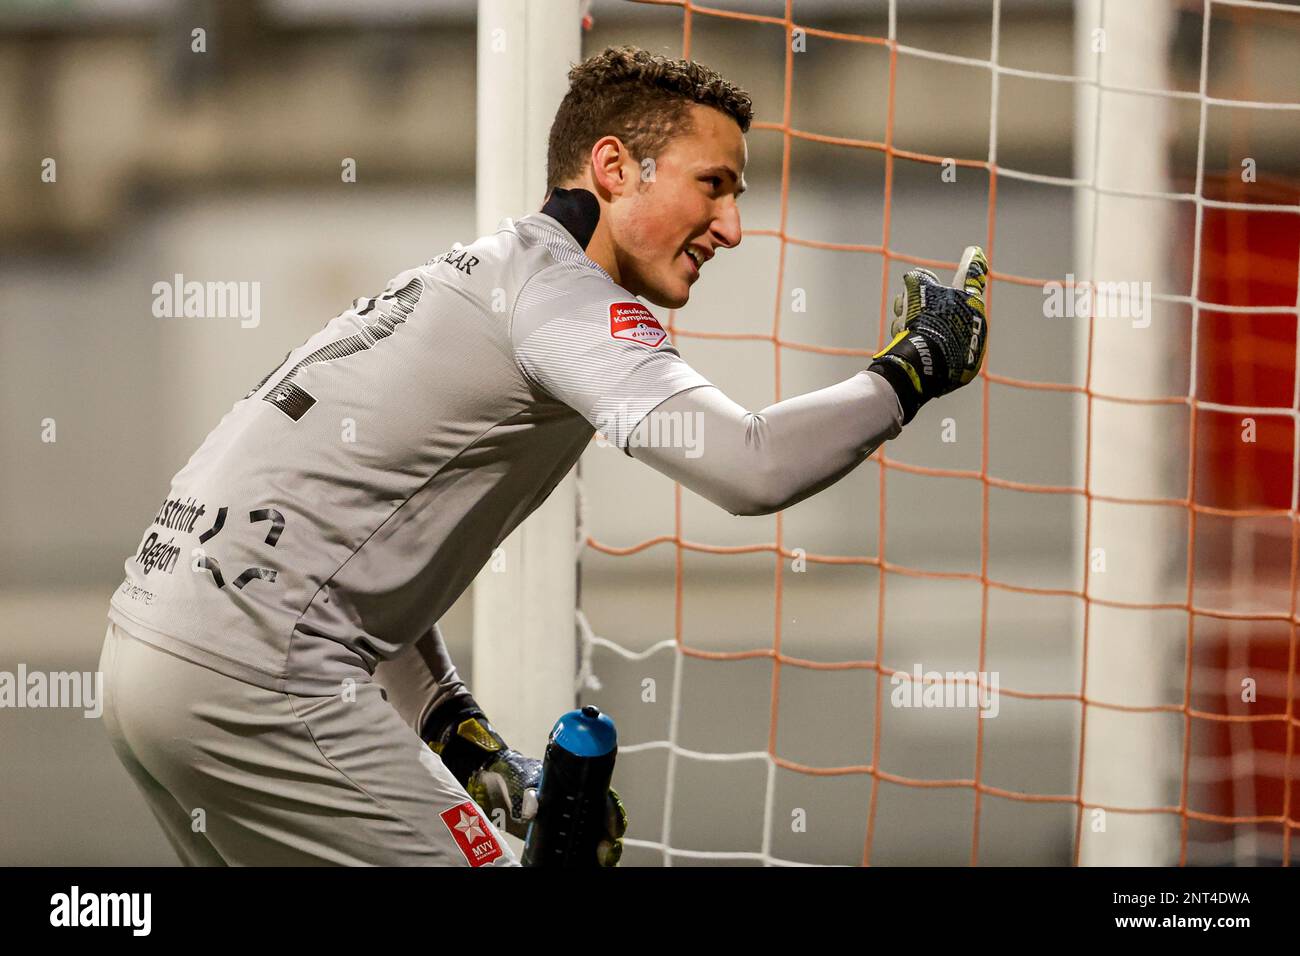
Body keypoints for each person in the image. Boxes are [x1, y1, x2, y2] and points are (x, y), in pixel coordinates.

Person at [99, 45, 988, 866]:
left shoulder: (480, 275)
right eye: (713, 185)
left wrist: (455, 731)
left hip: (150, 659)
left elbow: (356, 548)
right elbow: (751, 467)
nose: (732, 226)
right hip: (260, 679)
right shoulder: (566, 301)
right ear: (612, 168)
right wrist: (914, 369)